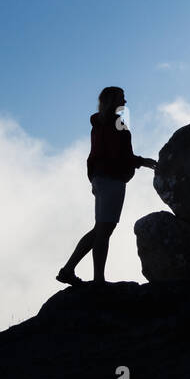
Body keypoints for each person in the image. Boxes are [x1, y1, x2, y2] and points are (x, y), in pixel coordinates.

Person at [57, 86, 157, 286]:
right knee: (104, 231)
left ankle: (69, 270)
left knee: (100, 229)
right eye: (122, 98)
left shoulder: (99, 124)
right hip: (112, 179)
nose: (125, 102)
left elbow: (102, 153)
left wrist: (95, 177)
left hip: (100, 179)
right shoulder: (117, 123)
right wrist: (142, 161)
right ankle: (98, 281)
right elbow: (119, 154)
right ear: (113, 101)